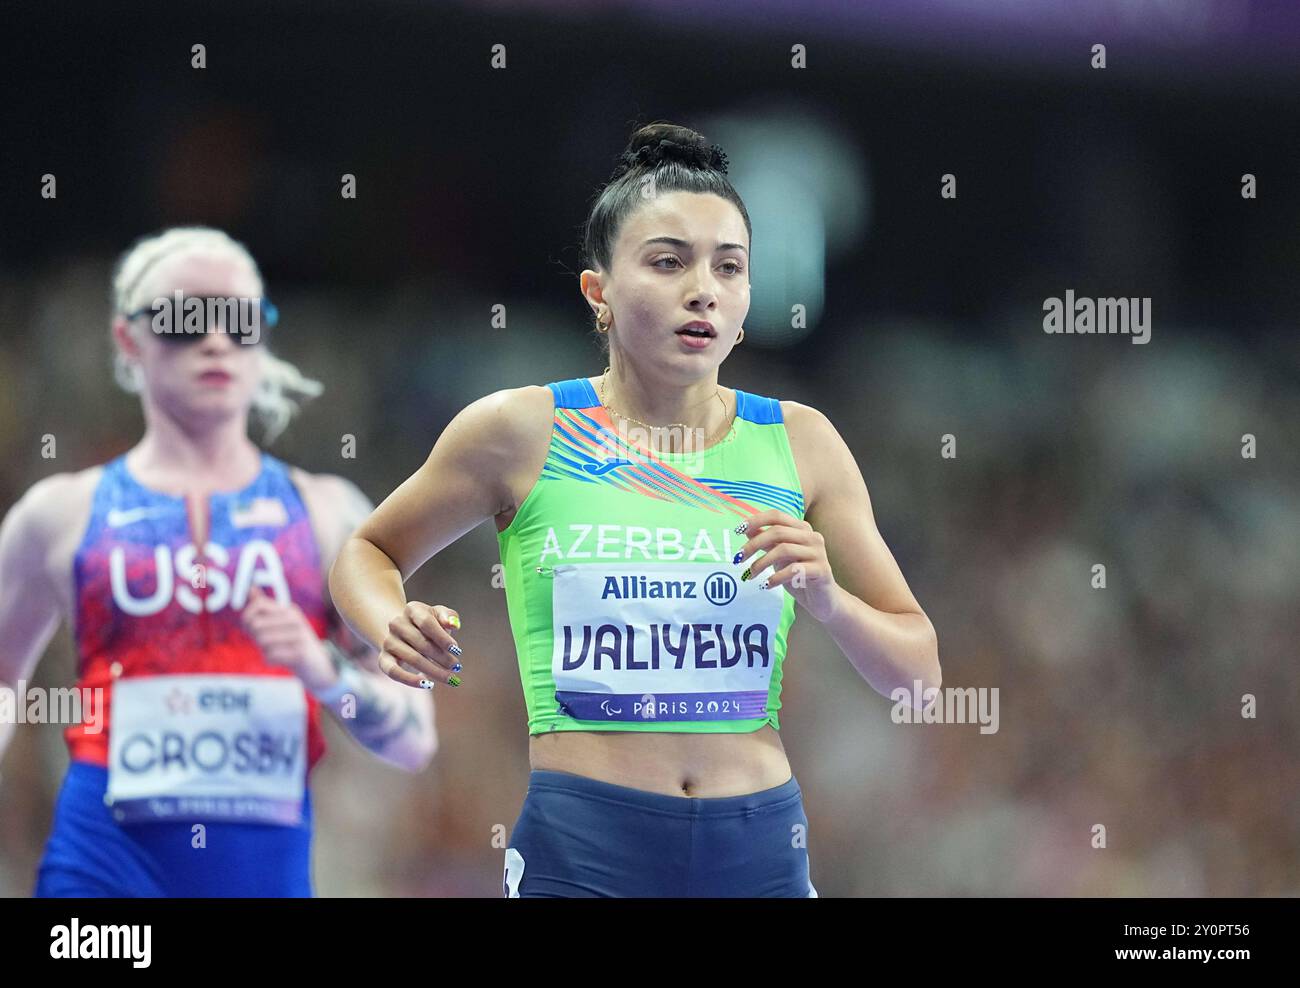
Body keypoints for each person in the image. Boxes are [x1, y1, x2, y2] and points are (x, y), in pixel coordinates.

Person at [328, 122, 941, 897]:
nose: (702, 290)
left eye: (729, 267)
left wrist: (829, 599)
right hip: (586, 845)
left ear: (746, 299)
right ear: (600, 293)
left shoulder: (801, 442)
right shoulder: (520, 431)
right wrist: (390, 623)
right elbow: (366, 552)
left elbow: (919, 675)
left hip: (756, 844)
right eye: (667, 262)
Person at [0, 226, 438, 897]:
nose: (213, 341)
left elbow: (415, 740)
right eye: (182, 320)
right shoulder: (56, 516)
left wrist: (324, 672)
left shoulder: (329, 516)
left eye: (238, 321)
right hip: (100, 877)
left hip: (260, 874)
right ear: (128, 342)